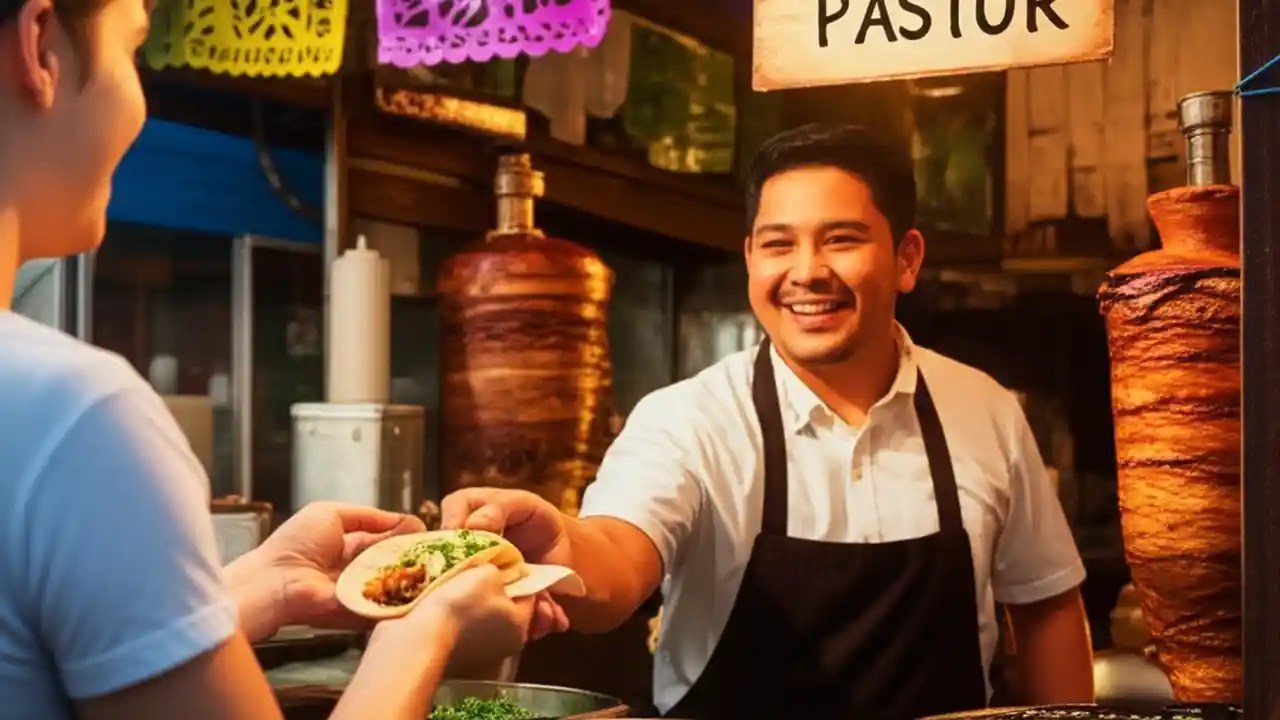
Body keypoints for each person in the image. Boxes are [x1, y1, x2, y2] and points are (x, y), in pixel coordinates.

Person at [0, 0, 563, 718]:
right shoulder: (75, 414)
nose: (139, 103)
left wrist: (255, 589)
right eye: (132, 52)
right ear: (41, 46)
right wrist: (428, 625)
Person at [443, 123, 1096, 718]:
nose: (807, 272)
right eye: (779, 244)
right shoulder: (688, 419)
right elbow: (614, 562)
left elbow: (1043, 607)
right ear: (752, 257)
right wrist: (555, 543)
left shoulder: (984, 409)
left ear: (906, 258)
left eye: (841, 239)